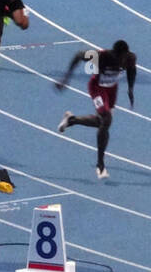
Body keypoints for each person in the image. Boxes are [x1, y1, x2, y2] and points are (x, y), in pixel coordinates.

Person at [56, 41, 137, 180]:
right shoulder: (101, 56)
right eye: (121, 59)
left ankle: (71, 120)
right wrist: (66, 78)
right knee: (106, 119)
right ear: (118, 55)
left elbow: (131, 70)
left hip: (112, 90)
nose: (123, 62)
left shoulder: (130, 58)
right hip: (97, 87)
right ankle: (100, 165)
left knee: (102, 123)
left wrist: (130, 89)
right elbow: (78, 55)